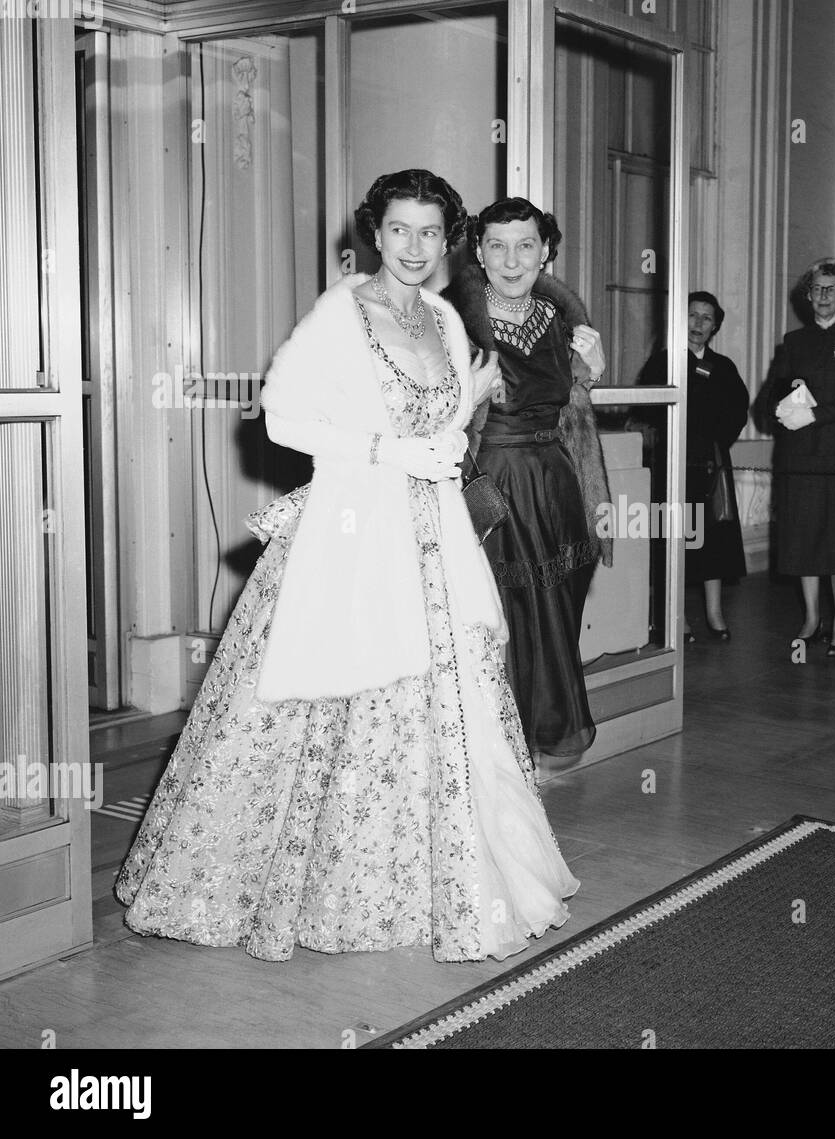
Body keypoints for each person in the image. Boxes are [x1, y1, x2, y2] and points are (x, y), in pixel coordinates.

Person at [115, 169, 578, 962]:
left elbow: (447, 435)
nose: (414, 246)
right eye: (399, 229)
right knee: (342, 695)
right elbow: (285, 418)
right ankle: (315, 883)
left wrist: (465, 408)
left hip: (433, 532)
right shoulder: (340, 313)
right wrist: (386, 450)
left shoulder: (440, 315)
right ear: (373, 232)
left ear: (447, 241)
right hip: (355, 525)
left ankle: (442, 879)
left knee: (446, 701)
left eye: (431, 232)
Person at [444, 197, 611, 759]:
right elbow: (416, 415)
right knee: (497, 617)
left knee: (557, 612)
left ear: (546, 252)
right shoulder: (452, 322)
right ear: (479, 253)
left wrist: (592, 373)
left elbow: (573, 410)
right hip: (489, 483)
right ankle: (495, 751)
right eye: (497, 245)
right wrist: (463, 397)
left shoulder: (564, 321)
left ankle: (544, 733)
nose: (511, 261)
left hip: (557, 484)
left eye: (525, 245)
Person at [771, 257, 835, 656]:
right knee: (804, 534)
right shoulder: (794, 341)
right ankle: (812, 618)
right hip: (800, 454)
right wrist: (782, 405)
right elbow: (773, 393)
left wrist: (811, 413)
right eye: (816, 289)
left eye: (831, 289)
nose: (823, 296)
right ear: (808, 295)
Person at [637, 291, 749, 640]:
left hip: (711, 463)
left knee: (713, 541)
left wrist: (714, 442)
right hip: (672, 463)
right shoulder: (663, 362)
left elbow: (737, 410)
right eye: (692, 315)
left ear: (715, 325)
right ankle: (677, 616)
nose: (698, 323)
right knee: (676, 540)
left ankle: (715, 614)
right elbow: (646, 411)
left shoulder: (724, 366)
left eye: (706, 317)